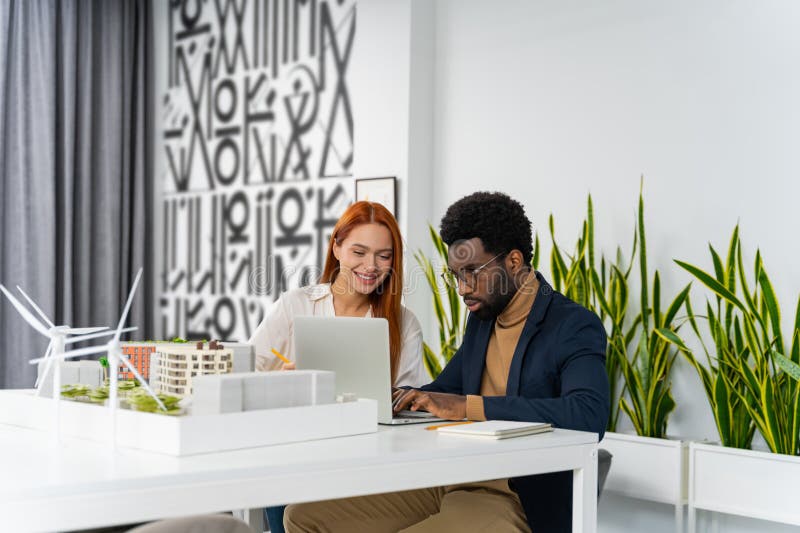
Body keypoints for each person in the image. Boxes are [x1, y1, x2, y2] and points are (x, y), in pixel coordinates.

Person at [283, 192, 609, 533]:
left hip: (515, 499)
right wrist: (399, 396)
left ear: (514, 261)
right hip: (452, 477)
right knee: (303, 516)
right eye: (454, 275)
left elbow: (588, 414)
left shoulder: (572, 325)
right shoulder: (483, 317)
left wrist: (470, 407)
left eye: (472, 272)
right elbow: (443, 392)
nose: (461, 288)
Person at [249, 201, 428, 533]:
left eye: (383, 256)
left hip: (365, 461)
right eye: (359, 251)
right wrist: (280, 381)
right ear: (337, 247)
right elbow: (246, 373)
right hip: (293, 456)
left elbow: (411, 402)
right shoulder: (296, 305)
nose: (370, 266)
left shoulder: (403, 323)